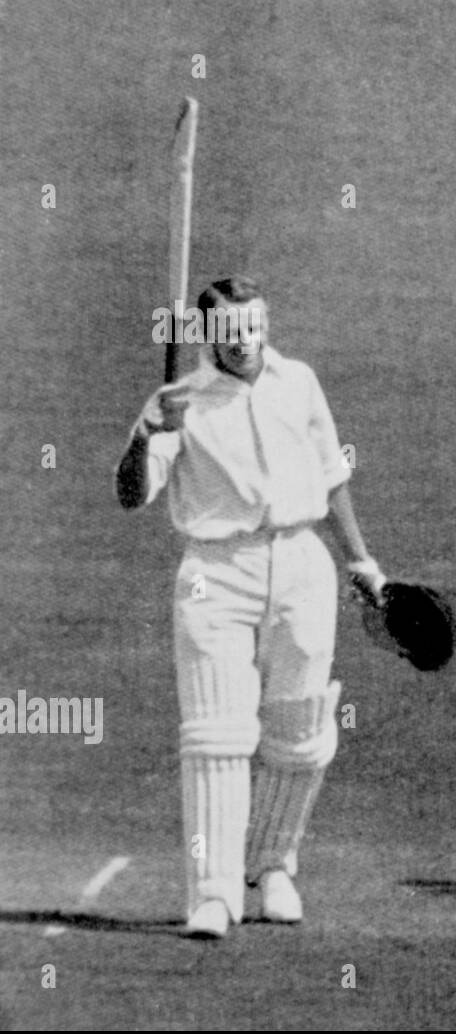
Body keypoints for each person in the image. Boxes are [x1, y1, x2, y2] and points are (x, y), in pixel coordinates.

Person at [116, 276, 388, 938]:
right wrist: (148, 434)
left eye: (253, 330)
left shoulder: (299, 383)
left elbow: (331, 476)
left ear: (265, 325)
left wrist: (361, 562)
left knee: (300, 734)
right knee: (216, 739)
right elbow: (130, 495)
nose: (244, 345)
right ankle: (212, 894)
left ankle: (271, 868)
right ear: (209, 337)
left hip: (301, 565)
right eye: (231, 335)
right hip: (215, 572)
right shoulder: (178, 401)